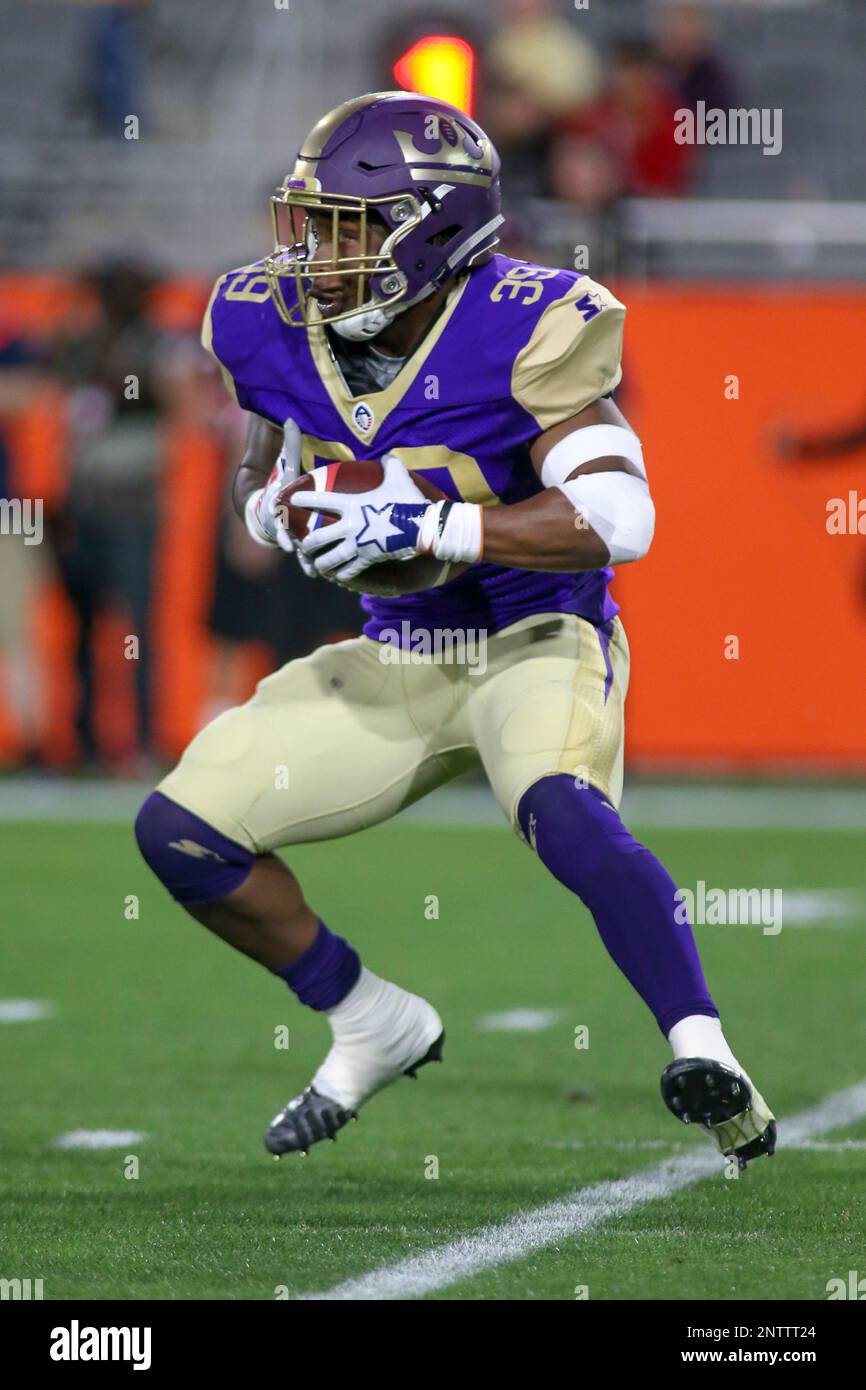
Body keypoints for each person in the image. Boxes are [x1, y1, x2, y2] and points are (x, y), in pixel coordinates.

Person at [135, 92, 775, 1168]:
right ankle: (369, 1016)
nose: (314, 253)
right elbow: (267, 439)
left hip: (535, 638)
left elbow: (621, 520)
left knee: (564, 814)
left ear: (428, 230)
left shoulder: (526, 318)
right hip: (400, 651)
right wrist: (267, 504)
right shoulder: (267, 317)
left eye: (345, 227)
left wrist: (437, 522)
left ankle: (704, 1049)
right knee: (181, 832)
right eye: (312, 224)